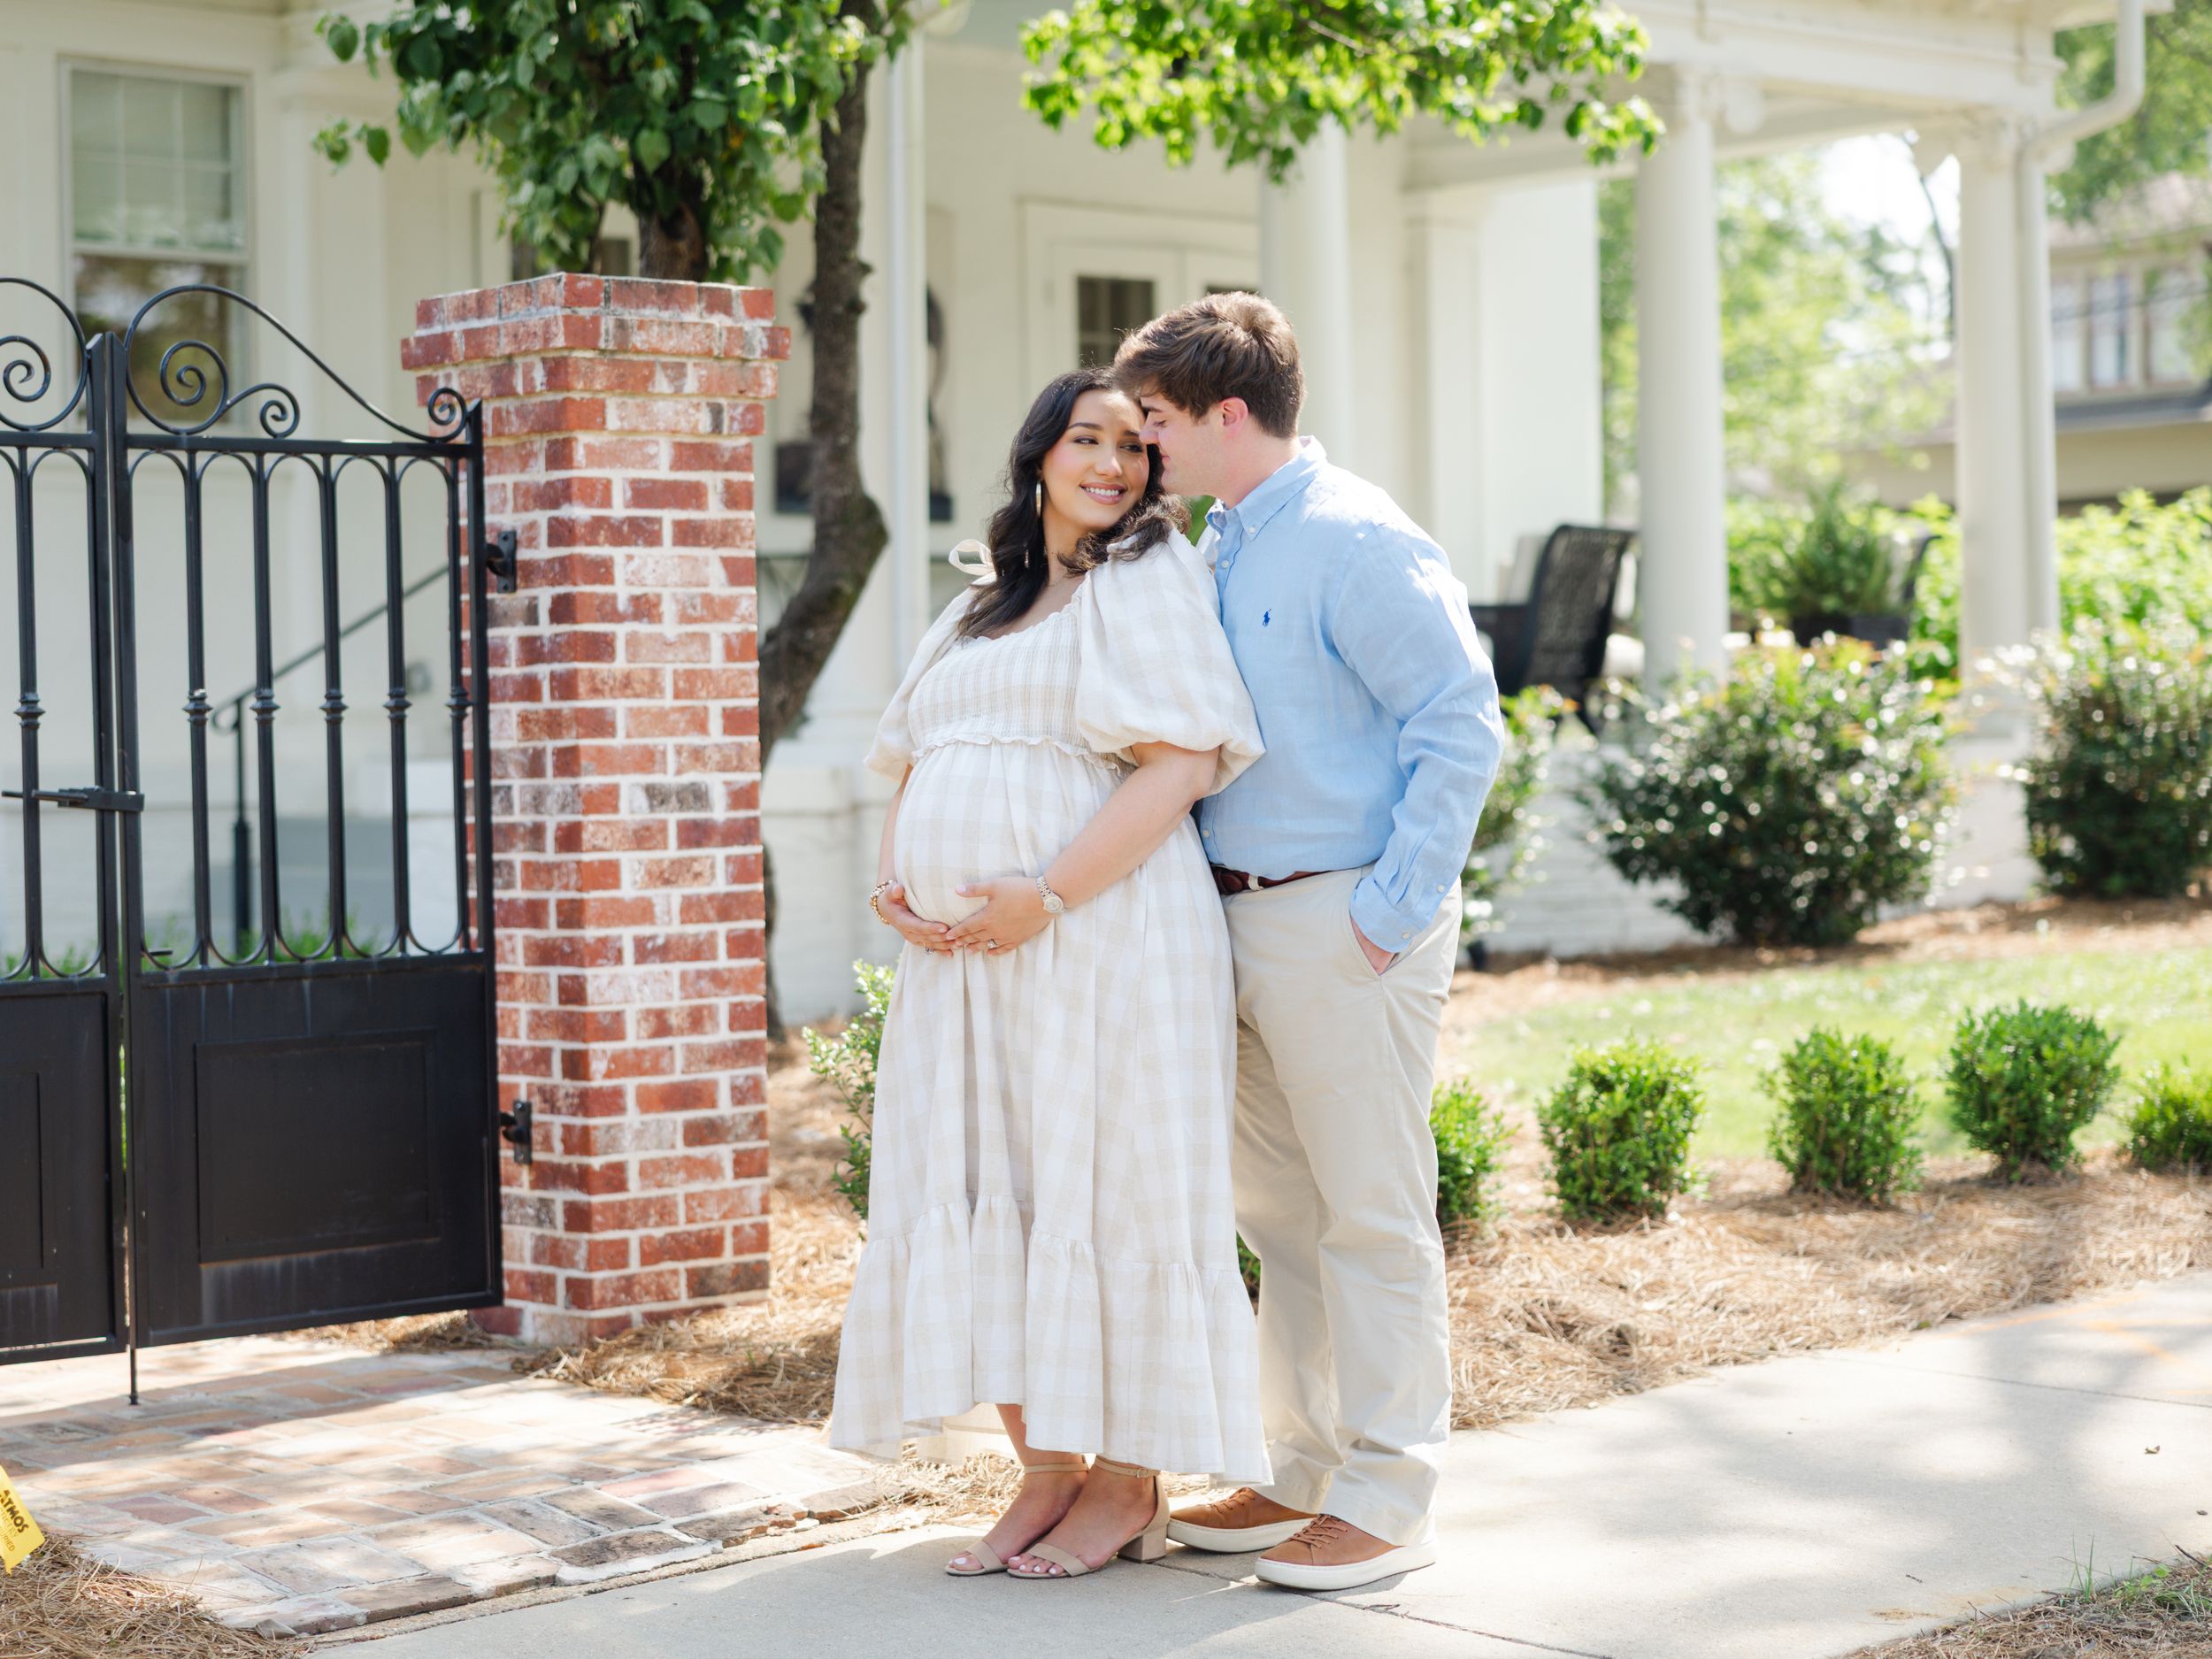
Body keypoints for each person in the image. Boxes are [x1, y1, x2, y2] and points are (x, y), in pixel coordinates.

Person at [829, 367, 1271, 1581]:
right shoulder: (978, 604)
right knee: (991, 1185)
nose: (1113, 465)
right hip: (970, 966)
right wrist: (894, 884)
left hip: (1105, 936)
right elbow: (915, 757)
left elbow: (1180, 763)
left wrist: (1051, 894)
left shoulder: (1146, 576)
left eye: (1135, 448)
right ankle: (1046, 1471)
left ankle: (1127, 1484)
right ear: (1039, 454)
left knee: (1110, 1185)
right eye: (1088, 440)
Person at [1112, 293, 1504, 1593]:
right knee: (1280, 1215)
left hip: (1339, 922)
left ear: (1227, 414)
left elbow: (1461, 722)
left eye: (1155, 419)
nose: (1139, 442)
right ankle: (1302, 1472)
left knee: (1372, 1213)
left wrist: (1387, 915)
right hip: (1227, 921)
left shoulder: (1357, 538)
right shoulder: (1215, 541)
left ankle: (1391, 1495)